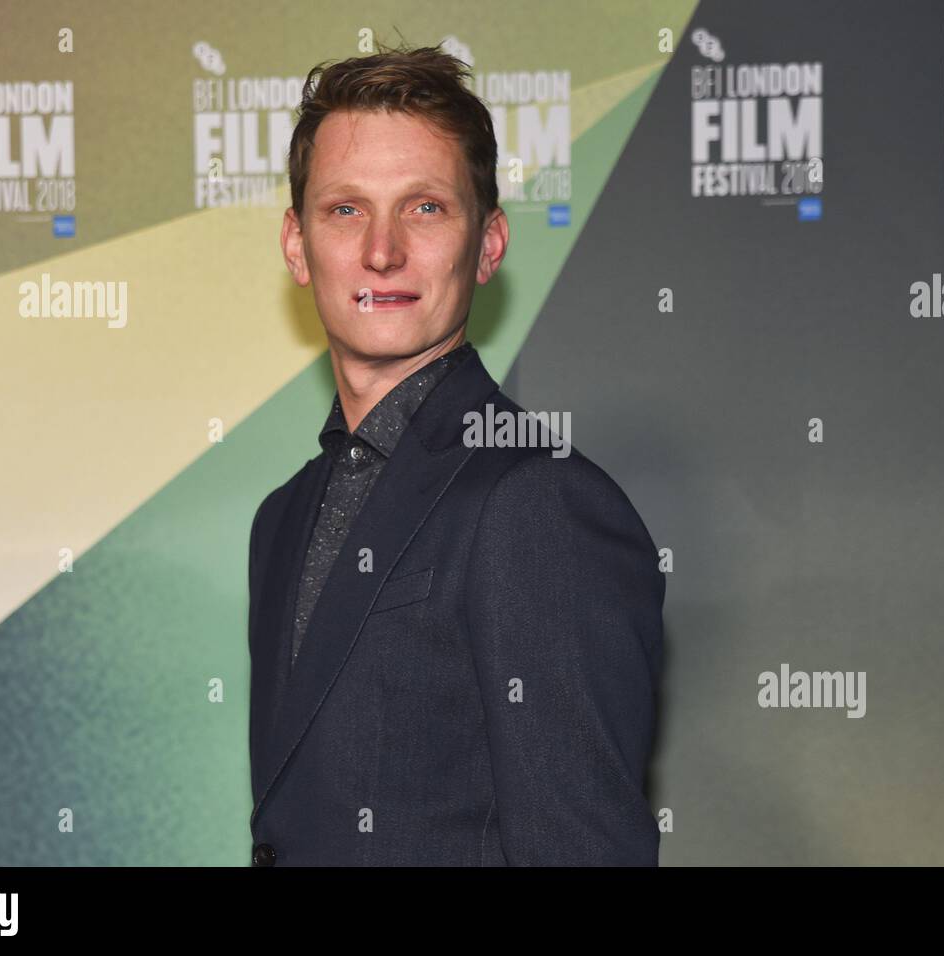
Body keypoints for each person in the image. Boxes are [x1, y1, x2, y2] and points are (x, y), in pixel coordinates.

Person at [247, 41, 665, 865]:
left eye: (426, 208)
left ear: (489, 244)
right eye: (346, 210)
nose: (382, 251)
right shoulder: (282, 518)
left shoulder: (538, 502)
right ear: (297, 245)